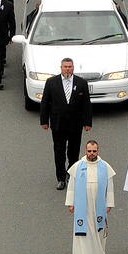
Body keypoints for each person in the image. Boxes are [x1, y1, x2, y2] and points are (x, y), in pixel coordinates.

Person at [39, 59, 93, 190]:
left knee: (74, 151)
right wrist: (44, 121)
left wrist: (87, 122)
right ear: (61, 68)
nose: (67, 69)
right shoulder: (51, 82)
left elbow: (86, 103)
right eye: (65, 67)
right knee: (59, 151)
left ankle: (71, 173)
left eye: (70, 67)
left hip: (75, 124)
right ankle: (61, 178)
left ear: (73, 68)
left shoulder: (81, 83)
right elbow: (45, 102)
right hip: (58, 124)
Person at [66, 140, 116, 254]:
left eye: (94, 151)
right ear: (85, 151)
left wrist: (109, 203)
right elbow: (71, 186)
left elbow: (109, 187)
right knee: (85, 231)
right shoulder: (78, 166)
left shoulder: (104, 166)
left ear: (98, 151)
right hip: (83, 204)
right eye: (89, 151)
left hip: (98, 204)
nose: (92, 153)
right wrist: (70, 203)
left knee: (98, 229)